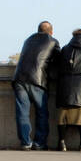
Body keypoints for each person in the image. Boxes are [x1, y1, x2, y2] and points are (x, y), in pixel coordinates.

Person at [11, 20, 61, 149]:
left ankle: (26, 142)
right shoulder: (53, 41)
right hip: (37, 80)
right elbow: (59, 60)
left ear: (38, 30)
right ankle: (39, 143)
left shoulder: (28, 40)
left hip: (19, 78)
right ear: (51, 31)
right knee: (42, 112)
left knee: (22, 112)